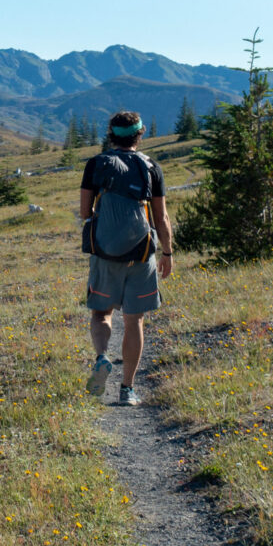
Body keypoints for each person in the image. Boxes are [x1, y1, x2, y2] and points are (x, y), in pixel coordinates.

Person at [80, 111, 173, 405]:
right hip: (141, 255)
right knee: (135, 321)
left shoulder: (96, 164)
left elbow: (84, 212)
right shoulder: (151, 167)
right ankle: (127, 390)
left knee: (101, 313)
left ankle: (102, 356)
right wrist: (167, 252)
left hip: (104, 254)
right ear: (140, 134)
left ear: (111, 134)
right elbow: (161, 217)